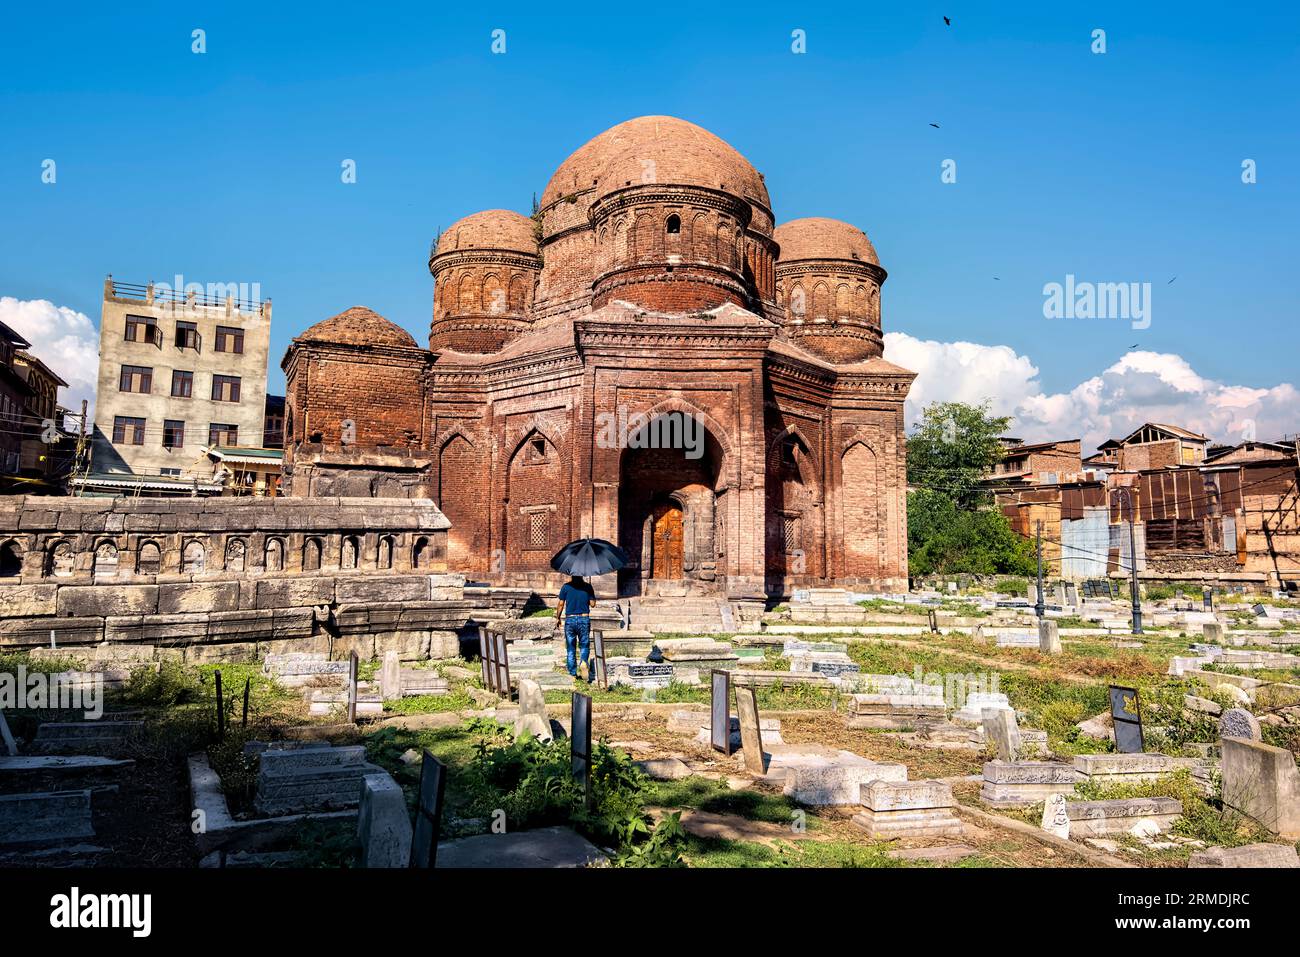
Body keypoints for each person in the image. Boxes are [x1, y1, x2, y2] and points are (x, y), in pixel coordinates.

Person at [556, 575, 596, 682]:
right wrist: (587, 597)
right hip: (584, 619)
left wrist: (558, 618)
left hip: (570, 620)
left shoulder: (566, 587)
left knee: (570, 647)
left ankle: (572, 674)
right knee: (584, 644)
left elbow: (560, 604)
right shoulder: (588, 587)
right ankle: (583, 662)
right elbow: (593, 604)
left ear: (572, 575)